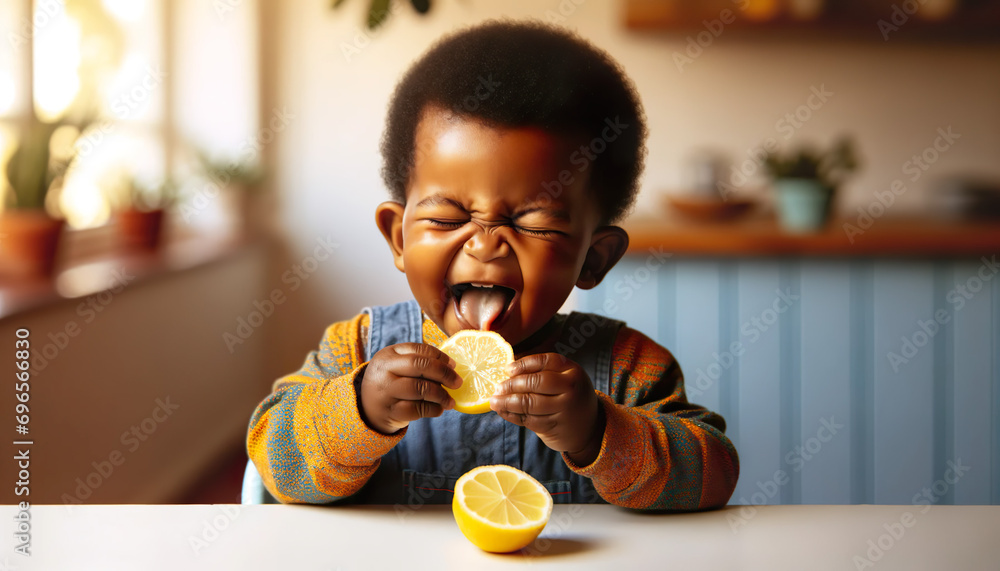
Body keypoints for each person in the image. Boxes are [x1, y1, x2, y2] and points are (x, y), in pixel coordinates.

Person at [247, 20, 739, 510]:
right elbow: (276, 464)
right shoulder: (355, 348)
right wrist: (358, 411)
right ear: (398, 237)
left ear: (593, 258)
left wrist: (598, 432)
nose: (485, 245)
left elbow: (712, 479)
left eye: (535, 224)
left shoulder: (630, 368)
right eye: (447, 217)